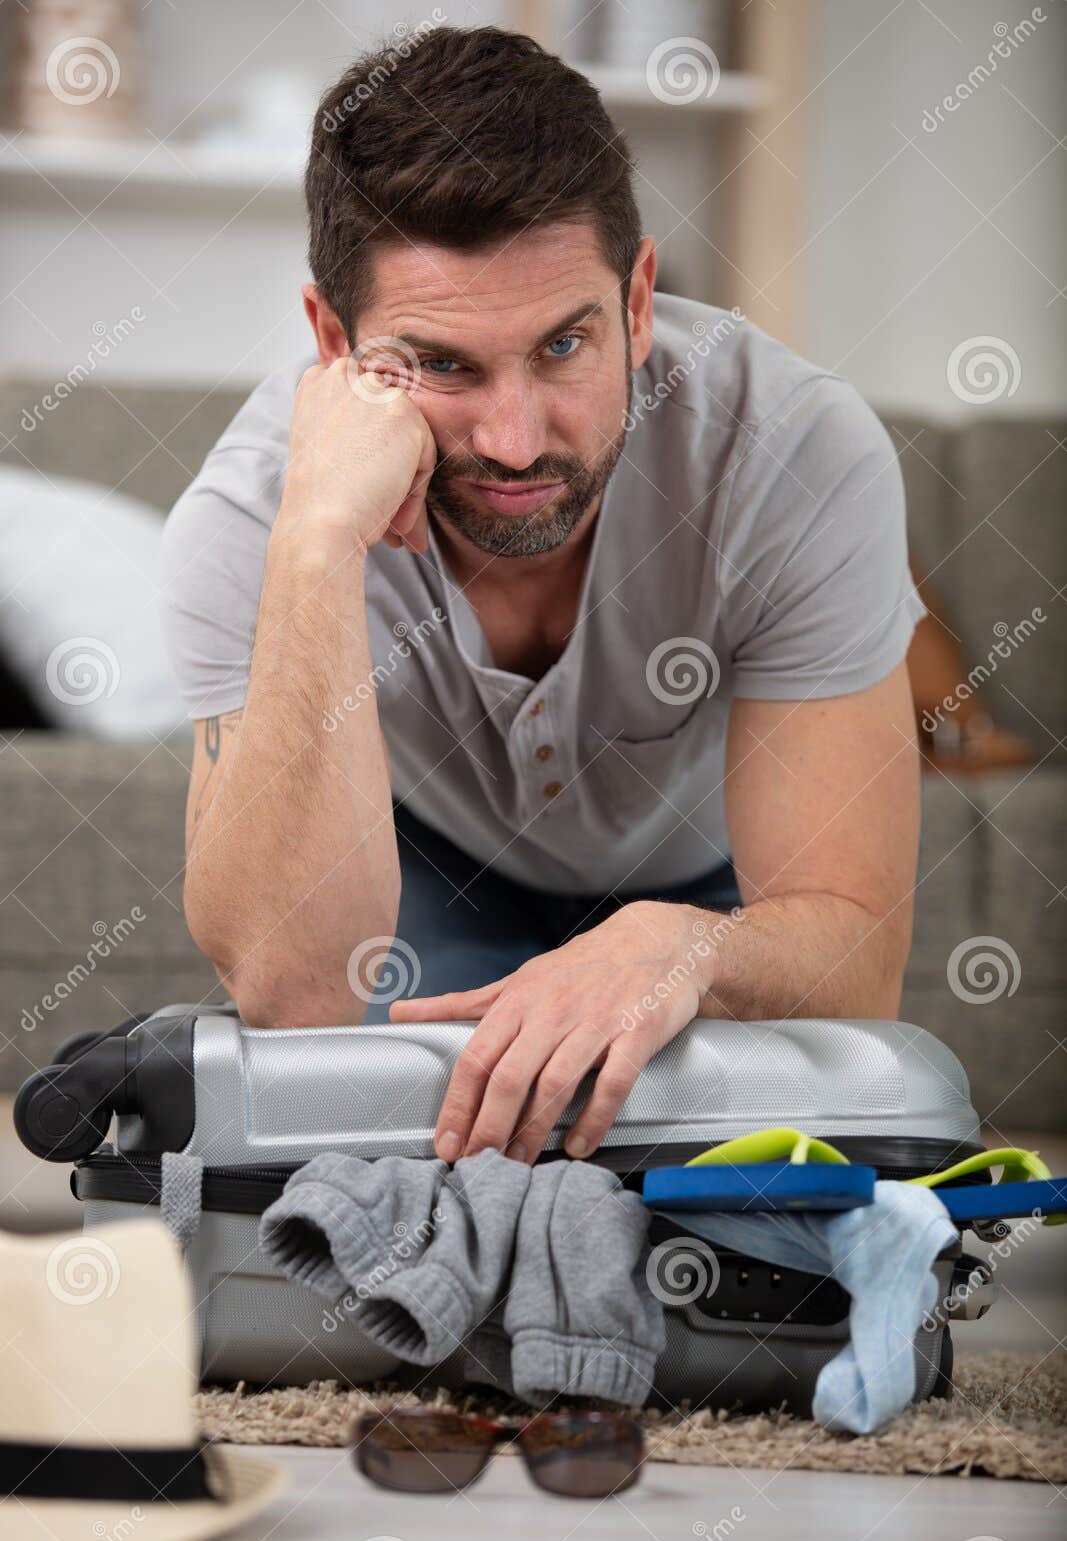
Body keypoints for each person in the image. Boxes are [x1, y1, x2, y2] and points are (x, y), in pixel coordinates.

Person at [160, 26, 924, 1168]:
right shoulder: (252, 513)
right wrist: (315, 547)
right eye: (443, 364)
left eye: (564, 344)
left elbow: (858, 967)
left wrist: (678, 949)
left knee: (780, 1171)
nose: (515, 440)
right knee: (373, 1160)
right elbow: (295, 995)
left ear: (638, 302)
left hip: (710, 896)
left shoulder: (798, 452)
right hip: (423, 876)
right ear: (332, 341)